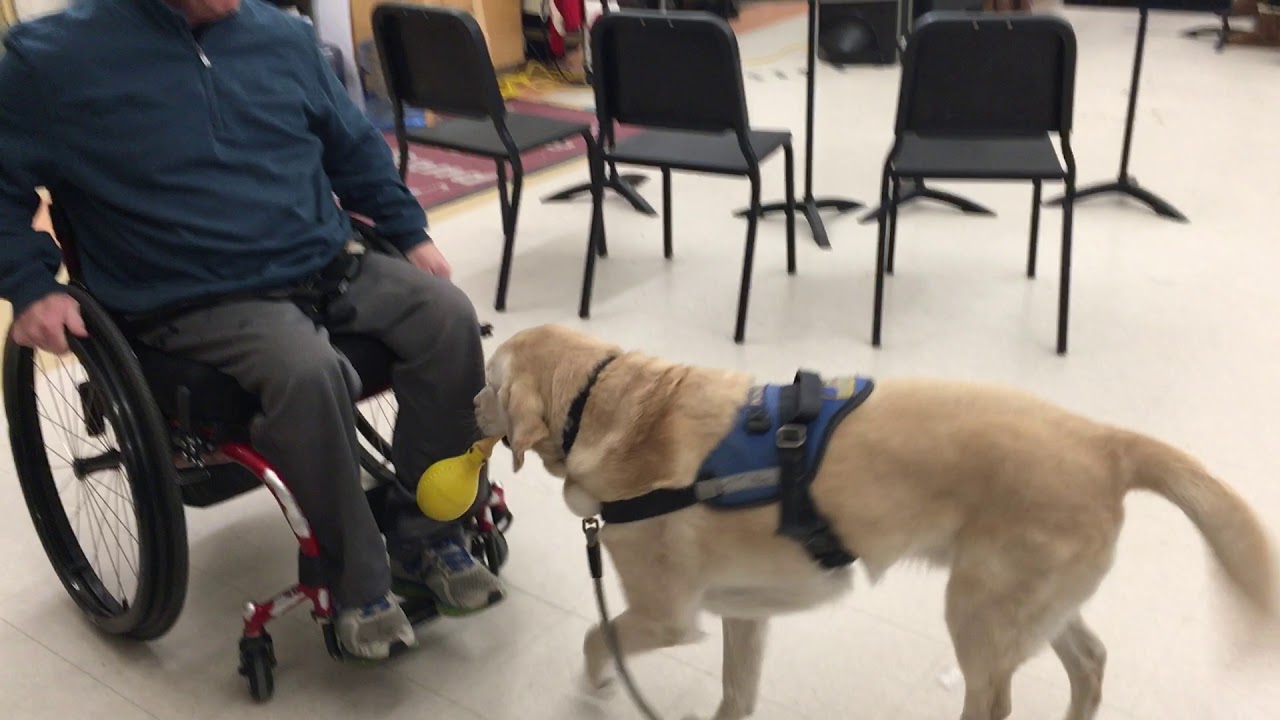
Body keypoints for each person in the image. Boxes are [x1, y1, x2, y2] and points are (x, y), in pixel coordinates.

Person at [0, 0, 504, 659]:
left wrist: (407, 232)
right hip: (187, 295)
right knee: (305, 370)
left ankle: (427, 534)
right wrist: (30, 286)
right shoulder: (50, 60)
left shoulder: (281, 35)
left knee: (448, 318)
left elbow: (350, 145)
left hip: (322, 262)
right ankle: (358, 583)